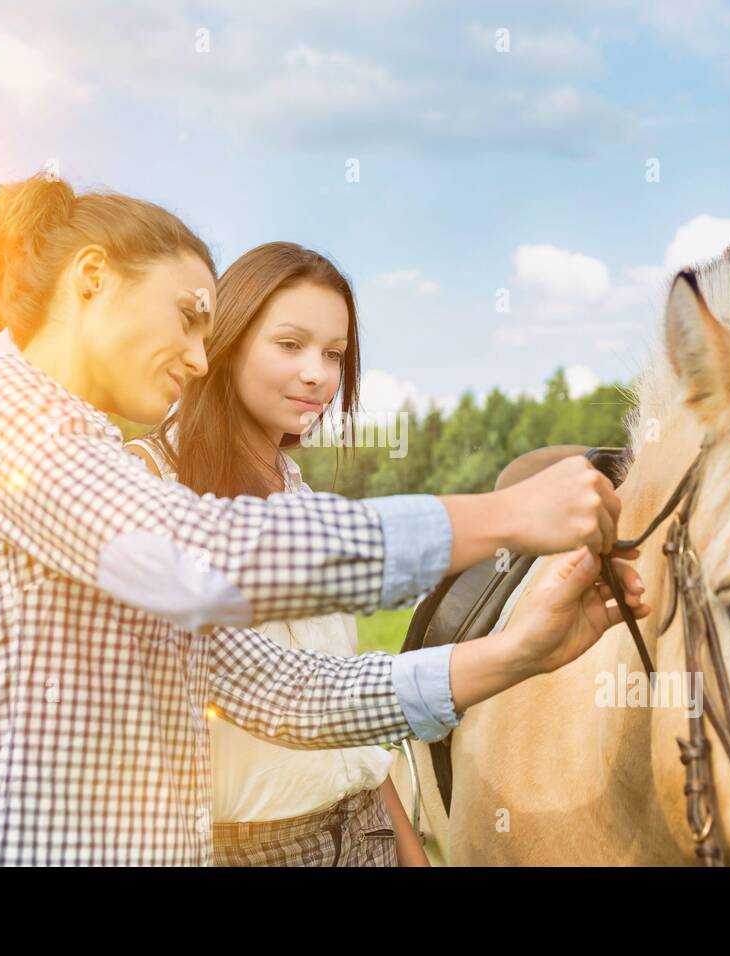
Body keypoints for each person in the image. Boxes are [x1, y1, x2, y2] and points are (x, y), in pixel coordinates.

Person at [0, 172, 649, 866]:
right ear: (92, 278)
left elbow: (288, 694)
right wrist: (506, 513)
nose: (196, 356)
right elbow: (194, 557)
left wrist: (522, 651)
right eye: (188, 320)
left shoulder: (99, 464)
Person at [130, 241, 428, 866]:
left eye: (334, 354)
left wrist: (407, 849)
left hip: (363, 829)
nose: (318, 374)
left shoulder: (304, 494)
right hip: (244, 848)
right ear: (229, 339)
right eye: (290, 345)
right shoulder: (145, 486)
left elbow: (342, 706)